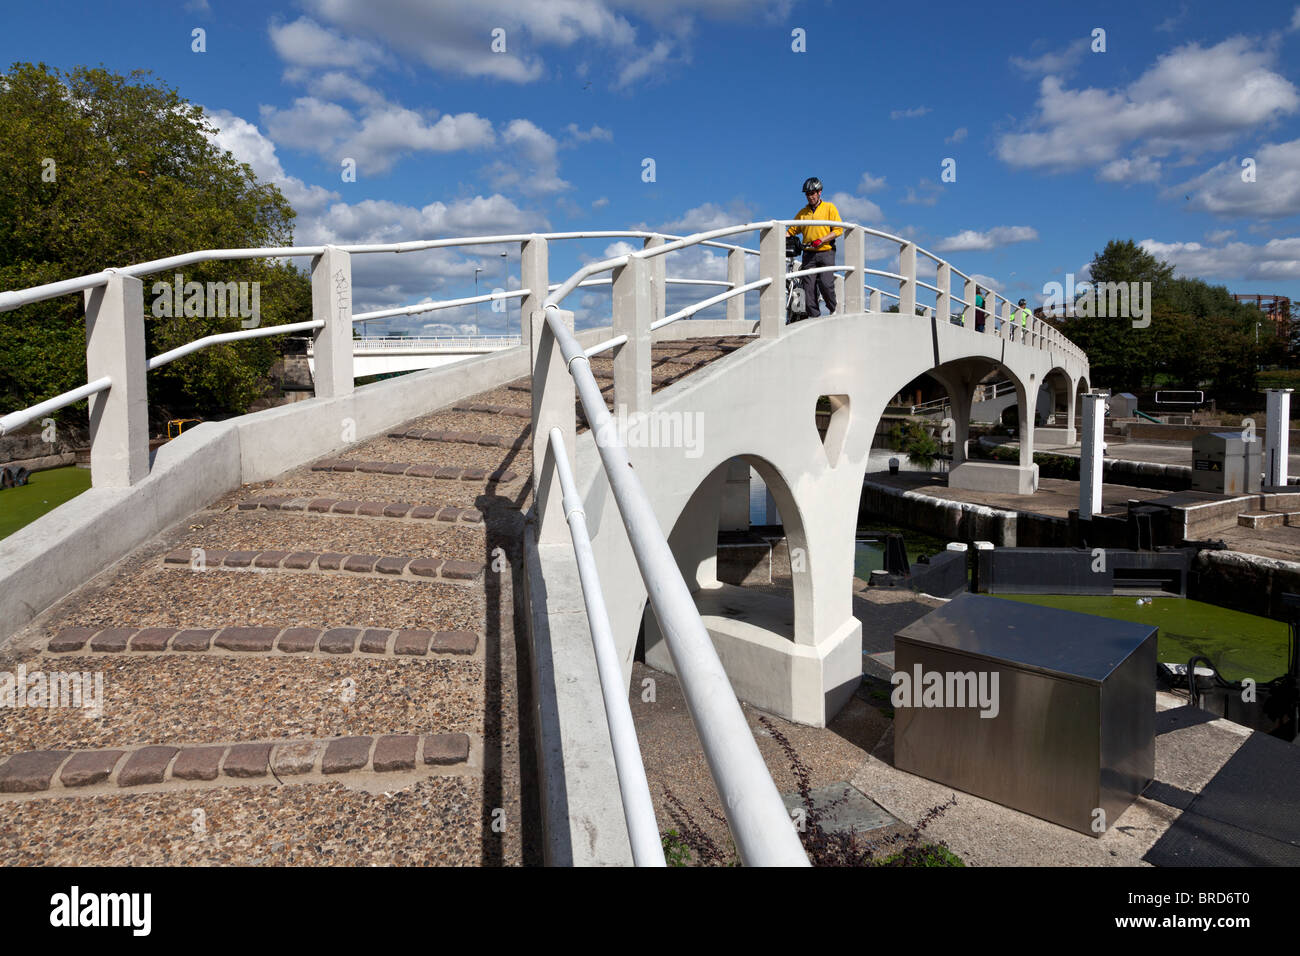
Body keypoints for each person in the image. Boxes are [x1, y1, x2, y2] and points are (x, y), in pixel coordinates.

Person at [787, 177, 842, 319]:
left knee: (826, 284)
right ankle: (814, 317)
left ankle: (832, 309)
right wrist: (781, 237)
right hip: (809, 254)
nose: (810, 196)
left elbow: (838, 230)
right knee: (808, 287)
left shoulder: (829, 207)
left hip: (826, 252)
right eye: (807, 194)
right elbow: (791, 230)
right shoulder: (803, 213)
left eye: (812, 193)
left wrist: (821, 240)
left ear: (819, 192)